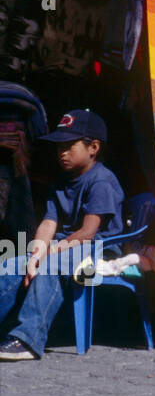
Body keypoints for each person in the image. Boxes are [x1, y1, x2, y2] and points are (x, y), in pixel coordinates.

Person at [0, 109, 124, 360]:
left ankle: (27, 339)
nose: (62, 152)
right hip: (65, 245)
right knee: (12, 264)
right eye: (59, 147)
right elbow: (48, 222)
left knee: (49, 266)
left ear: (94, 147)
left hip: (98, 247)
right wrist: (36, 253)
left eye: (69, 145)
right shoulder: (61, 181)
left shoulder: (101, 181)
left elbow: (89, 232)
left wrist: (49, 254)